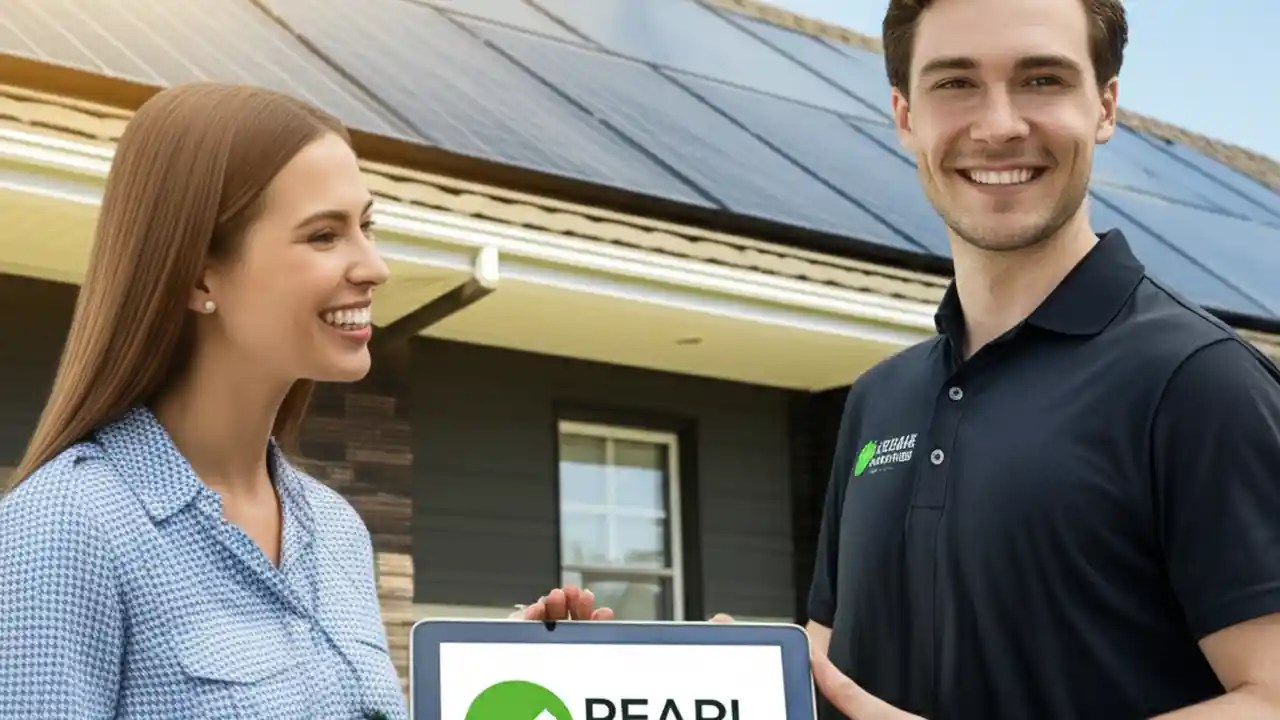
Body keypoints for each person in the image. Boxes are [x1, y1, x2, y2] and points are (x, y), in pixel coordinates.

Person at [0, 82, 575, 719]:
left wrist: (506, 685)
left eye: (367, 225)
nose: (374, 266)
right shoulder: (66, 528)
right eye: (324, 235)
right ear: (197, 274)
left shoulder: (336, 531)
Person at [791, 0, 1280, 717]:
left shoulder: (1198, 381)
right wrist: (663, 672)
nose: (998, 126)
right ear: (904, 116)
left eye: (1042, 80)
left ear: (1105, 106)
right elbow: (832, 672)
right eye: (955, 83)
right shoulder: (878, 399)